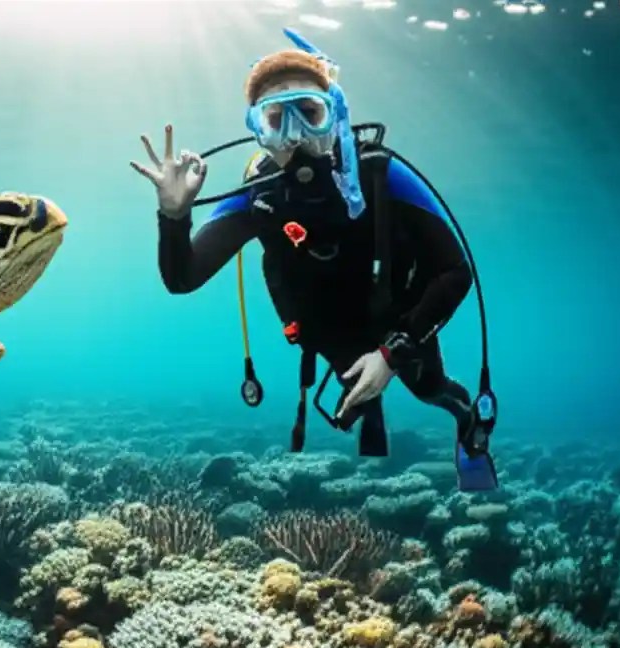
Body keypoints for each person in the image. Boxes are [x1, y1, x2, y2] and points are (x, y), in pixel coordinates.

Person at [129, 29, 499, 491]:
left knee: (428, 389)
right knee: (354, 399)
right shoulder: (258, 194)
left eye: (310, 114)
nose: (295, 136)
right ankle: (371, 407)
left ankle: (467, 421)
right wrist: (174, 215)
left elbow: (456, 271)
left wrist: (390, 355)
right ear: (258, 132)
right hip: (327, 328)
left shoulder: (381, 174)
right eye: (275, 120)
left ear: (336, 117)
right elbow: (182, 278)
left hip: (402, 318)